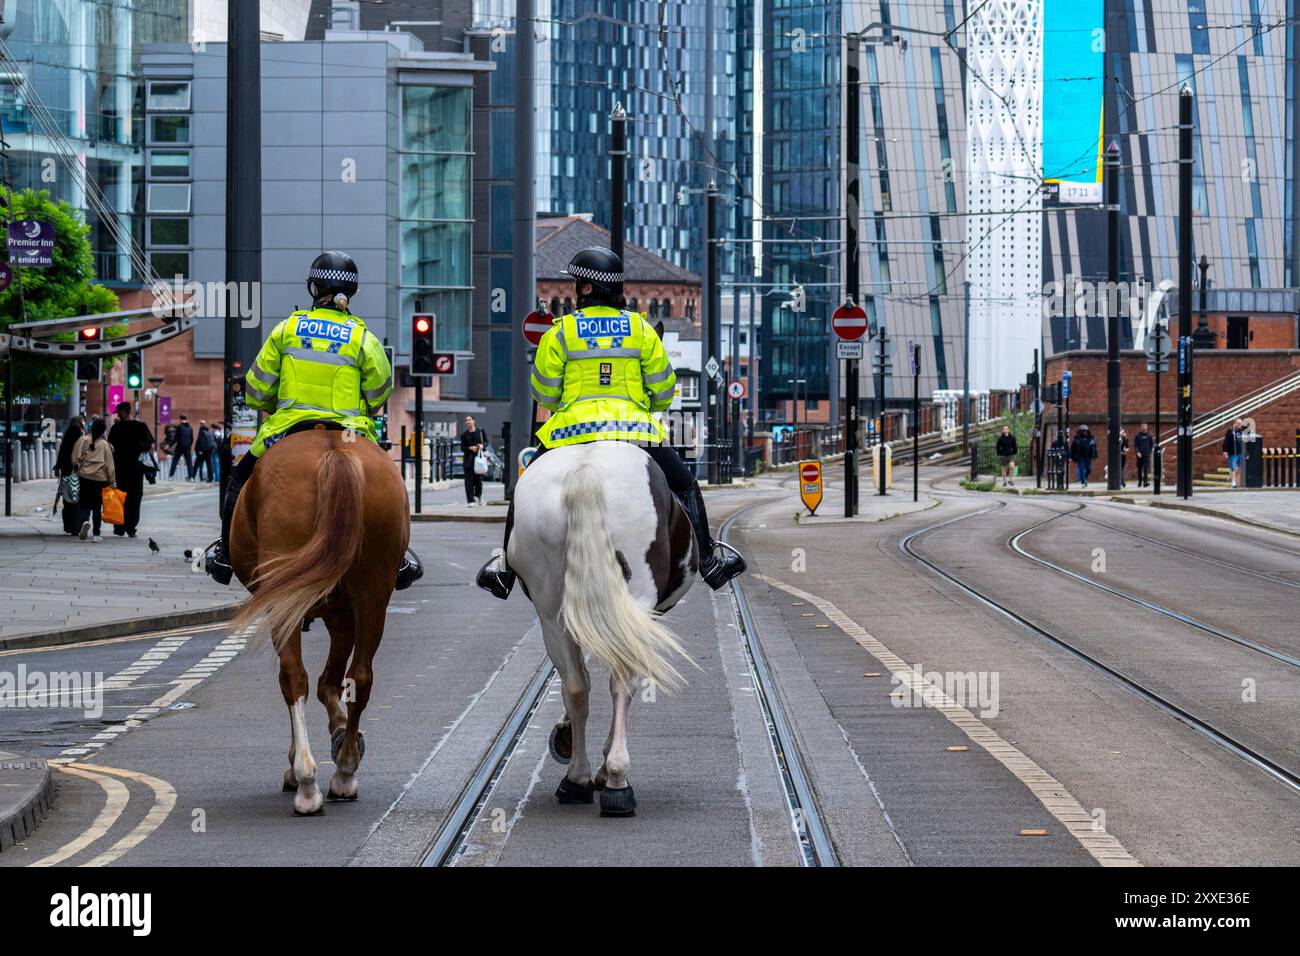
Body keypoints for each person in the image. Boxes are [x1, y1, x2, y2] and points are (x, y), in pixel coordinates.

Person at [476, 247, 746, 599]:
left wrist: (570, 404)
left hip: (570, 431)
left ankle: (505, 570)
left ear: (586, 288)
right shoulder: (641, 330)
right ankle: (709, 558)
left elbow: (544, 391)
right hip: (634, 431)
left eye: (576, 282)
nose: (573, 288)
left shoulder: (561, 332)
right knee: (685, 483)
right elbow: (664, 389)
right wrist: (643, 404)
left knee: (525, 486)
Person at [204, 251, 411, 587]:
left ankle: (225, 553)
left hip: (287, 430)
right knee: (392, 488)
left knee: (237, 483)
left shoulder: (287, 330)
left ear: (314, 288)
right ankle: (400, 557)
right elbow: (380, 391)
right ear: (352, 293)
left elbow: (256, 390)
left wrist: (278, 402)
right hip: (349, 434)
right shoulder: (363, 338)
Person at [107, 402, 155, 538]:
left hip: (120, 468)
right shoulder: (140, 426)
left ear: (123, 413)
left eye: (118, 412)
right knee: (134, 498)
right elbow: (149, 444)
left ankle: (120, 526)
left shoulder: (116, 428)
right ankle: (131, 526)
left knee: (119, 497)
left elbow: (110, 448)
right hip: (135, 468)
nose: (118, 415)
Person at [72, 418, 116, 542]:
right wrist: (112, 480)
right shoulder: (105, 445)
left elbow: (75, 458)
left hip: (85, 477)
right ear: (103, 431)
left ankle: (85, 522)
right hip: (100, 479)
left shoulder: (83, 440)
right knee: (97, 507)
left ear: (91, 428)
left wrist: (78, 466)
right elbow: (110, 465)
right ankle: (96, 534)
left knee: (84, 504)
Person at [55, 416, 87, 535]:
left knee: (67, 499)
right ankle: (75, 526)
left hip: (66, 471)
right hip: (75, 470)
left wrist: (58, 467)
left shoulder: (67, 434)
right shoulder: (78, 434)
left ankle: (68, 526)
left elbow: (62, 452)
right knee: (76, 499)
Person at [461, 415, 487, 506]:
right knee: (468, 482)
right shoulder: (464, 435)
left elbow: (486, 442)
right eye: (466, 420)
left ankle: (479, 496)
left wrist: (482, 446)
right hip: (468, 461)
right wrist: (470, 448)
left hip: (479, 460)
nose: (468, 421)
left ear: (474, 421)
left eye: (469, 420)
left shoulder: (480, 432)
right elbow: (462, 448)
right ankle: (471, 500)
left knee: (478, 481)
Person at [169, 415, 194, 480]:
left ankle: (171, 476)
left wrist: (170, 445)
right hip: (187, 447)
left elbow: (176, 438)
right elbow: (192, 439)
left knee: (175, 461)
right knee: (189, 462)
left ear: (181, 419)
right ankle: (191, 477)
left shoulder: (179, 427)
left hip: (179, 447)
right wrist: (189, 445)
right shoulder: (190, 427)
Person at [1222, 418, 1245, 487]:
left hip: (1241, 452)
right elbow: (1226, 441)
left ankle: (1231, 477)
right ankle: (1233, 482)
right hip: (1233, 452)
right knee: (1233, 467)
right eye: (1238, 423)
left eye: (1240, 423)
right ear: (1234, 423)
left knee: (1241, 467)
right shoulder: (1230, 431)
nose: (1239, 425)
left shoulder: (1242, 431)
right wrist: (1225, 451)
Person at [1134, 423, 1153, 488]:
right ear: (1141, 427)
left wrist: (1149, 453)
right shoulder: (1137, 435)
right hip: (1139, 455)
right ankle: (1140, 482)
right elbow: (1135, 445)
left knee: (1146, 469)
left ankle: (1145, 482)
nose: (1144, 427)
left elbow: (1151, 445)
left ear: (1147, 427)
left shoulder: (1149, 435)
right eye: (1142, 426)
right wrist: (1138, 452)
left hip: (1146, 454)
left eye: (1145, 426)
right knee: (1139, 469)